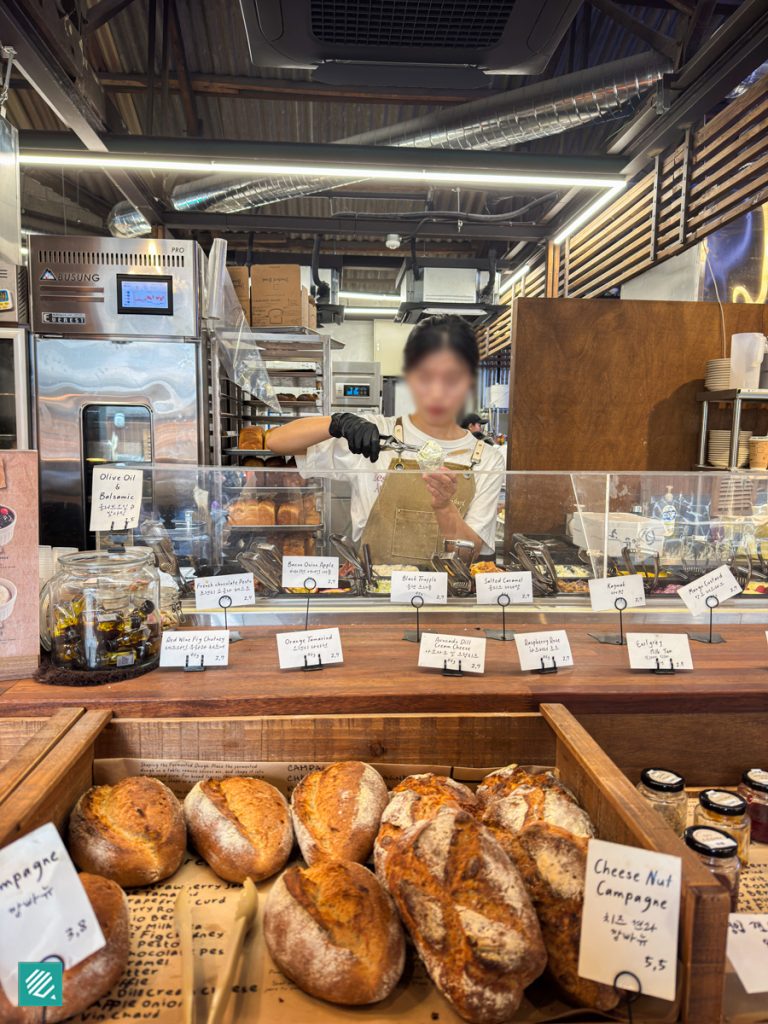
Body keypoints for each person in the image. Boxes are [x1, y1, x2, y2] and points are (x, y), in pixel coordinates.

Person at [268, 315, 506, 564]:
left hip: (446, 595)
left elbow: (472, 551)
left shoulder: (486, 459)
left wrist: (444, 506)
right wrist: (337, 423)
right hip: (377, 594)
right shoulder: (378, 434)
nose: (437, 390)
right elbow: (277, 441)